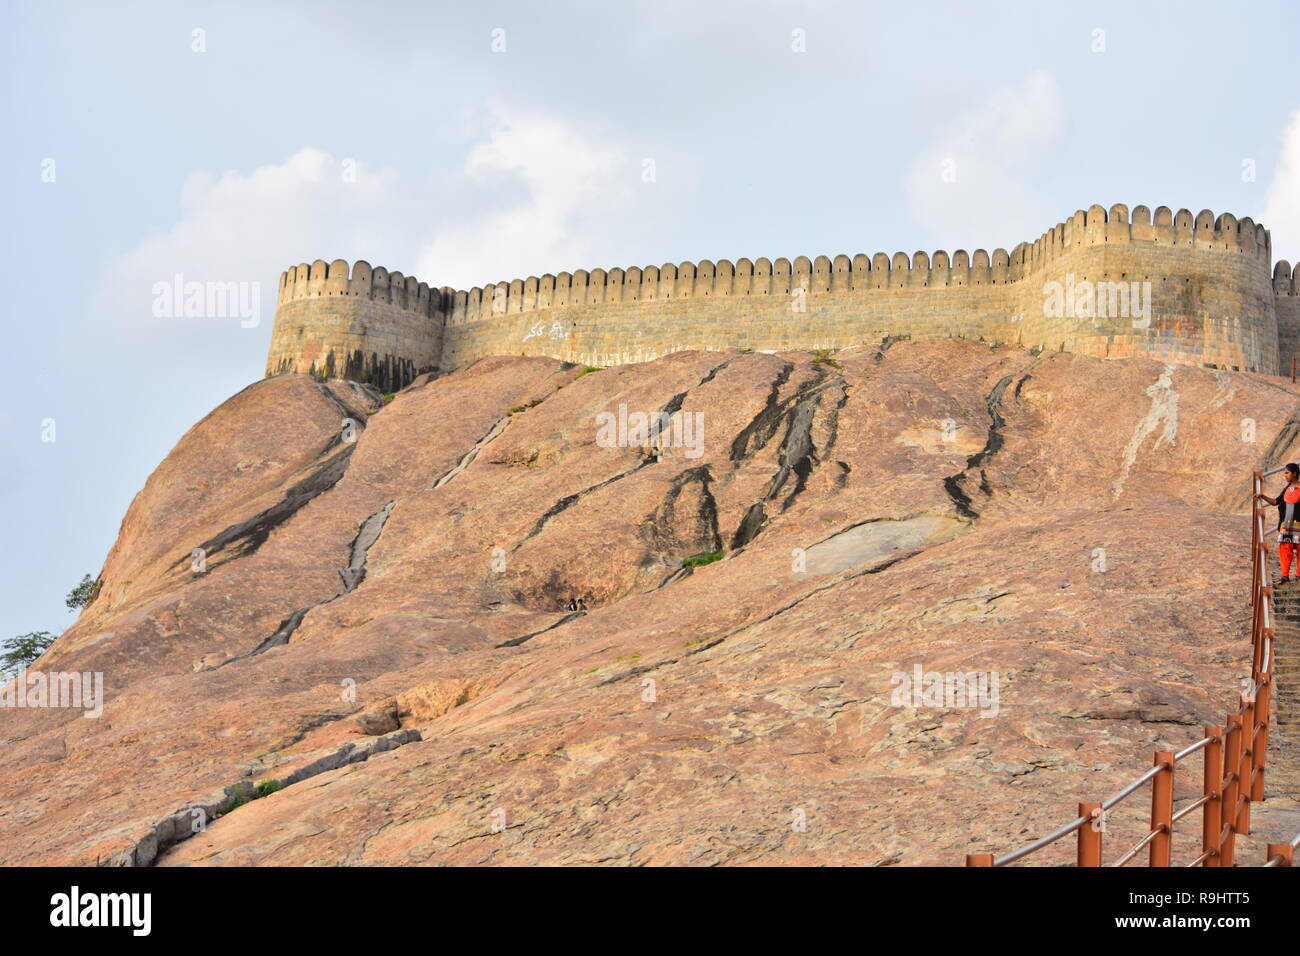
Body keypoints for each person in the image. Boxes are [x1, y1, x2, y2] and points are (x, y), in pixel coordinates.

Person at [1255, 462, 1300, 581]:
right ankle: (1285, 576)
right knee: (1285, 551)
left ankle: (1299, 575)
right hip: (1286, 527)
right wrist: (1263, 496)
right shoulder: (1286, 490)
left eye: (1287, 473)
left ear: (1294, 474)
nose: (1285, 475)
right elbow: (1276, 502)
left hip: (1298, 527)